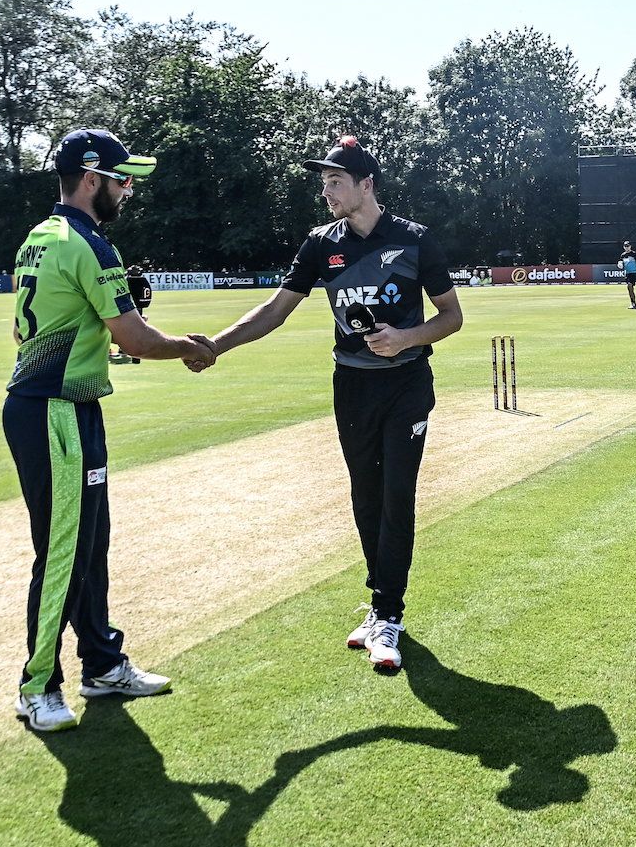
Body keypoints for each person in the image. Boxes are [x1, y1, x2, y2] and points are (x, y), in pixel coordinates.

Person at [194, 135, 462, 672]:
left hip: (407, 383)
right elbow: (276, 310)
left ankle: (388, 613)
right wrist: (215, 346)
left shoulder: (416, 241)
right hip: (352, 387)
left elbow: (452, 317)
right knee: (365, 494)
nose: (327, 193)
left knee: (395, 493)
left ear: (367, 185)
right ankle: (378, 605)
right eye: (324, 184)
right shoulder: (321, 244)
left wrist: (407, 338)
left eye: (335, 182)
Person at [3, 128, 216, 732]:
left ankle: (101, 663)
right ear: (92, 179)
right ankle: (37, 684)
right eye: (124, 180)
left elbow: (31, 333)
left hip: (62, 405)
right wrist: (189, 348)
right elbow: (135, 338)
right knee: (64, 549)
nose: (129, 191)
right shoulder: (89, 244)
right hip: (53, 412)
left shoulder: (39, 238)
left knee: (90, 540)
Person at [618, 241, 636, 309]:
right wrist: (620, 264)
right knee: (630, 288)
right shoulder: (623, 255)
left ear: (630, 246)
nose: (627, 247)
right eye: (625, 246)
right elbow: (621, 262)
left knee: (629, 285)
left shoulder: (634, 254)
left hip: (634, 272)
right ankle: (633, 303)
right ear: (623, 247)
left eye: (628, 246)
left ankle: (633, 304)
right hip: (627, 273)